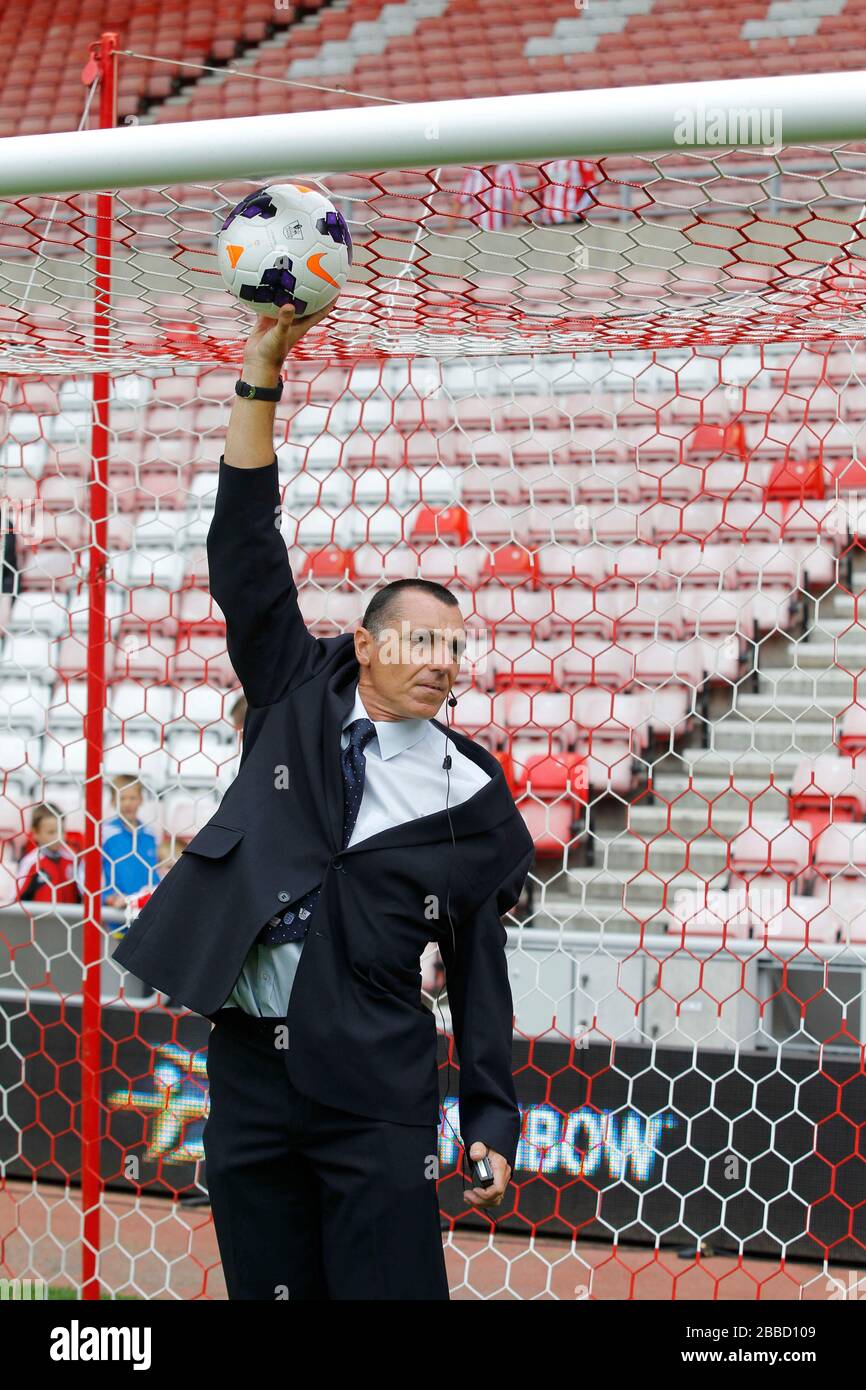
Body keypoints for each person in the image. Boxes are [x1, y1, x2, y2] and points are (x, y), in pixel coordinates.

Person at [112, 301, 535, 1301]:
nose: (442, 661)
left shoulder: (472, 793)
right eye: (423, 639)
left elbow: (478, 965)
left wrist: (488, 1117)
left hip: (376, 1091)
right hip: (251, 1074)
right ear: (369, 642)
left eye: (455, 648)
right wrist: (261, 368)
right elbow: (244, 549)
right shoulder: (290, 692)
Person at [101, 774, 159, 910]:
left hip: (146, 908)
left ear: (141, 800)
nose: (127, 803)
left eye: (132, 798)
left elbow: (157, 869)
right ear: (113, 801)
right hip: (117, 908)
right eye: (122, 798)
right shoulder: (104, 832)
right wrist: (107, 897)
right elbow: (85, 872)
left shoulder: (150, 833)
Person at [17, 804, 81, 904]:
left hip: (69, 918)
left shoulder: (73, 859)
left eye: (61, 831)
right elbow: (18, 898)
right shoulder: (31, 862)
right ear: (35, 833)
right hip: (40, 918)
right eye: (51, 832)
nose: (58, 837)